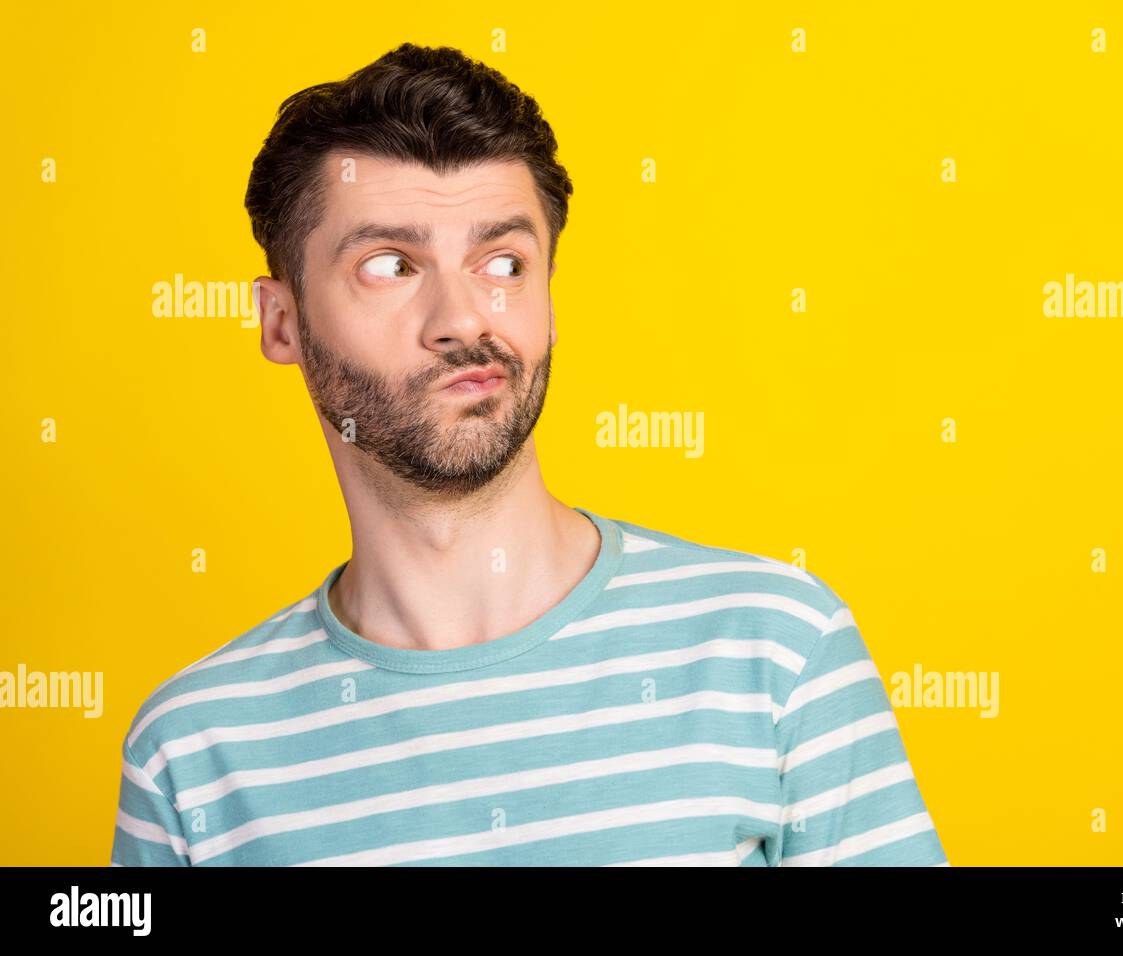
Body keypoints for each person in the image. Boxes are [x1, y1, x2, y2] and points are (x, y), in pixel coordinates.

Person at [110, 43, 948, 867]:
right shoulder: (193, 753)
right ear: (282, 322)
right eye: (391, 265)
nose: (464, 319)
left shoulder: (775, 648)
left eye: (503, 262)